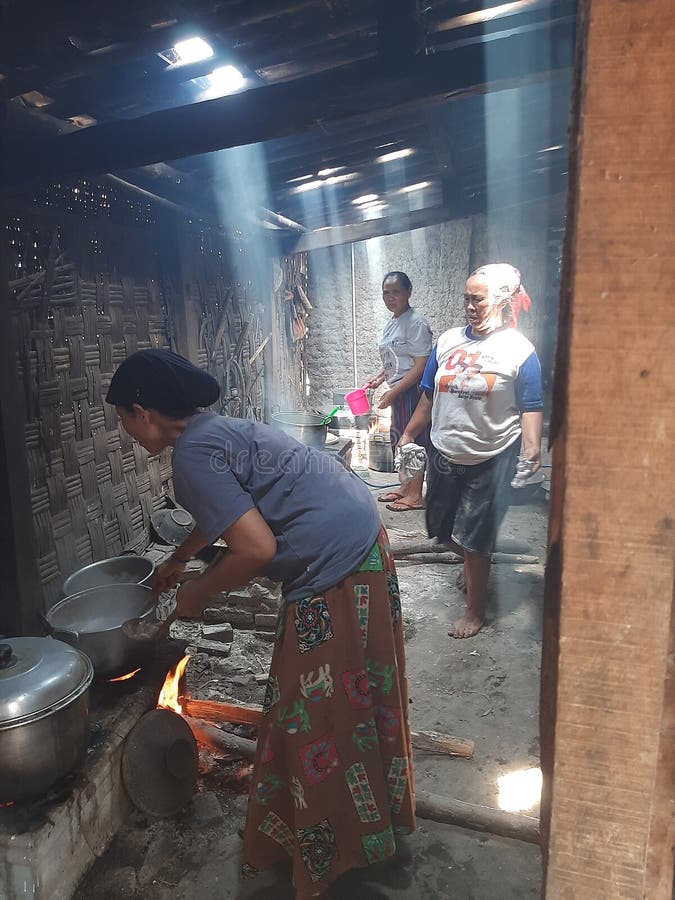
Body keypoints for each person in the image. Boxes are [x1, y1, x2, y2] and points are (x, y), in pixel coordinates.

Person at [105, 349, 414, 899]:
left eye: (124, 419)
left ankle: (334, 857)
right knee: (354, 702)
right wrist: (180, 558)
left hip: (336, 569)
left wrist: (196, 594)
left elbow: (255, 548)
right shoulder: (210, 432)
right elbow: (226, 511)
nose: (126, 431)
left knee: (313, 718)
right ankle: (371, 833)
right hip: (365, 543)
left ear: (142, 412)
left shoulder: (190, 457)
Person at [399, 264, 543, 639]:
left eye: (477, 299)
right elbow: (428, 395)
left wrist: (532, 448)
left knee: (477, 537)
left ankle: (475, 611)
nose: (469, 306)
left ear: (501, 301)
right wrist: (410, 432)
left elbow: (530, 405)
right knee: (439, 527)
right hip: (444, 450)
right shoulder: (447, 341)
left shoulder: (519, 350)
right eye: (466, 298)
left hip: (492, 454)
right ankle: (471, 563)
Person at [366, 272, 432, 511]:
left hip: (413, 390)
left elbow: (421, 365)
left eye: (396, 292)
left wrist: (393, 393)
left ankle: (415, 495)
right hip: (399, 389)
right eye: (386, 293)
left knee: (412, 439)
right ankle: (405, 488)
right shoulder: (393, 322)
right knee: (398, 438)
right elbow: (395, 358)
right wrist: (379, 378)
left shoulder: (415, 323)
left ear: (408, 292)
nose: (391, 297)